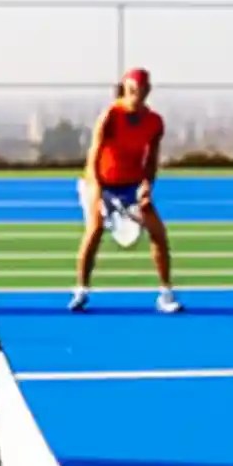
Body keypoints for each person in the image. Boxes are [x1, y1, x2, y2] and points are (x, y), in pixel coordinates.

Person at [70, 67, 181, 313]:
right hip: (100, 181)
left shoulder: (154, 122)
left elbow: (151, 160)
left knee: (157, 232)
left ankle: (166, 294)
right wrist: (97, 192)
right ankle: (81, 290)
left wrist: (146, 187)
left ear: (148, 91)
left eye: (141, 90)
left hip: (131, 186)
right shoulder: (110, 116)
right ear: (125, 89)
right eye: (132, 90)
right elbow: (93, 158)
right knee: (95, 229)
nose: (136, 95)